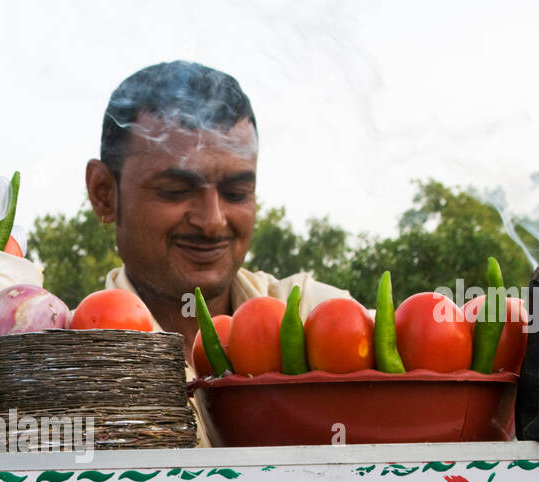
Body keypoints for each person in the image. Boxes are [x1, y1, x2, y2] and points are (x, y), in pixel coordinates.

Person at [86, 61, 351, 360]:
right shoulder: (64, 364)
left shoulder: (320, 321)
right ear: (104, 193)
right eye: (176, 191)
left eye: (235, 194)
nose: (212, 221)